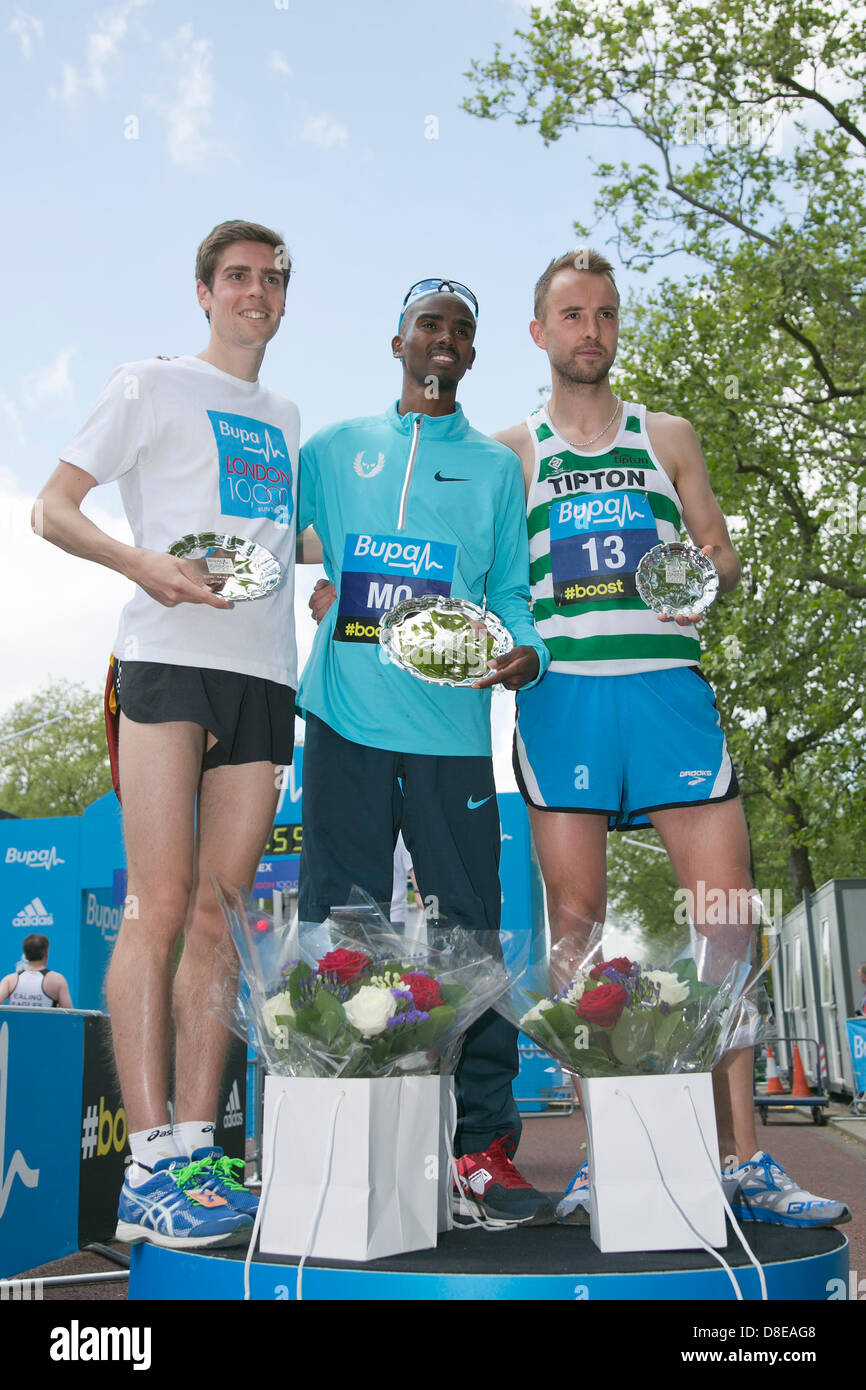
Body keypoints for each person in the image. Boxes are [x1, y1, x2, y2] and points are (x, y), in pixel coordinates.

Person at [494, 248, 850, 1229]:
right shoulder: (510, 450)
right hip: (564, 698)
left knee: (726, 914)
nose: (590, 331)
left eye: (604, 314)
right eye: (570, 314)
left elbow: (721, 552)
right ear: (539, 333)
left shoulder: (669, 435)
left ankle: (740, 1156)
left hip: (665, 693)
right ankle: (603, 1149)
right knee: (574, 926)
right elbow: (487, 571)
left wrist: (707, 575)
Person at [33, 220, 299, 1249]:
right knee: (158, 900)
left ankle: (195, 1145)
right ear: (202, 291)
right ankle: (146, 1165)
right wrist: (143, 566)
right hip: (164, 657)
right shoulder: (148, 384)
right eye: (238, 276)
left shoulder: (280, 413)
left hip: (264, 674)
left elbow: (287, 538)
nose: (257, 292)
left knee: (221, 913)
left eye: (273, 278)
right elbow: (52, 511)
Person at [297, 277, 555, 1225]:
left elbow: (515, 595)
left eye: (459, 332)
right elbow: (271, 540)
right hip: (343, 721)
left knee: (470, 937)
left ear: (475, 354)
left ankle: (481, 1148)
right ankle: (339, 1129)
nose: (443, 341)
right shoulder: (332, 448)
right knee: (342, 928)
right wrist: (316, 584)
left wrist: (530, 653)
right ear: (398, 342)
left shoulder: (493, 466)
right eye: (427, 327)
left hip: (452, 735)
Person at [0, 934, 73, 1009]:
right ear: (46, 954)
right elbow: (69, 1015)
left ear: (25, 955)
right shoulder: (57, 980)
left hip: (15, 1021)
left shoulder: (9, 980)